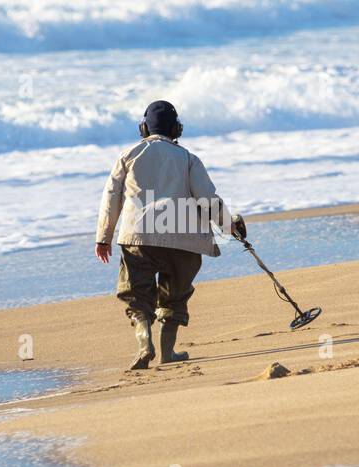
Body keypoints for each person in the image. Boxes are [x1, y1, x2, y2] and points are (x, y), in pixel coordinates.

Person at [95, 100, 246, 369]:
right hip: (183, 239)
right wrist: (228, 226)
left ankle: (144, 345)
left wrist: (103, 237)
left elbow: (111, 198)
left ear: (143, 128)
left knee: (136, 293)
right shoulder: (188, 158)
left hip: (138, 236)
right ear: (176, 129)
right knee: (175, 295)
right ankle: (168, 351)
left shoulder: (128, 155)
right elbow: (208, 198)